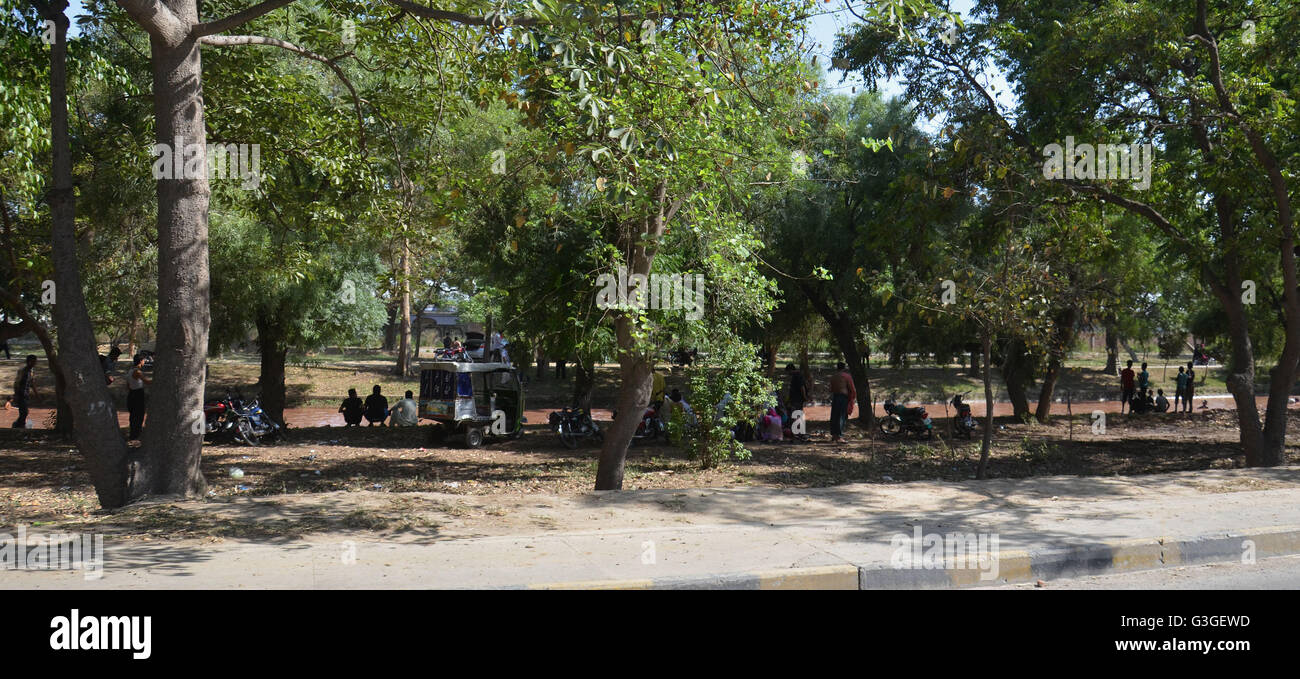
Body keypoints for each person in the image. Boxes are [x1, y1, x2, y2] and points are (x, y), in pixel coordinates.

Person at [829, 362, 856, 443]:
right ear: (844, 368)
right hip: (843, 398)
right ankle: (839, 437)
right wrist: (853, 399)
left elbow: (831, 389)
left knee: (834, 416)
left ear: (837, 368)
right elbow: (853, 389)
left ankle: (834, 435)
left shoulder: (833, 377)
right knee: (841, 417)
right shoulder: (846, 376)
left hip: (835, 397)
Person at [126, 354, 151, 439]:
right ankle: (136, 435)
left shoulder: (130, 371)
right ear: (140, 361)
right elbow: (147, 382)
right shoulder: (137, 372)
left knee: (133, 415)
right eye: (144, 360)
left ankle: (133, 434)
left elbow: (128, 385)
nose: (144, 362)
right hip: (138, 395)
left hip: (132, 394)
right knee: (139, 415)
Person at [11, 354, 38, 428]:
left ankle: (18, 425)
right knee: (24, 412)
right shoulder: (22, 371)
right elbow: (16, 384)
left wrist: (37, 395)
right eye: (34, 362)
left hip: (26, 394)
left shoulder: (31, 371)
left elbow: (32, 383)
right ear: (29, 362)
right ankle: (18, 425)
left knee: (24, 412)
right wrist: (16, 395)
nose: (35, 363)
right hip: (20, 394)